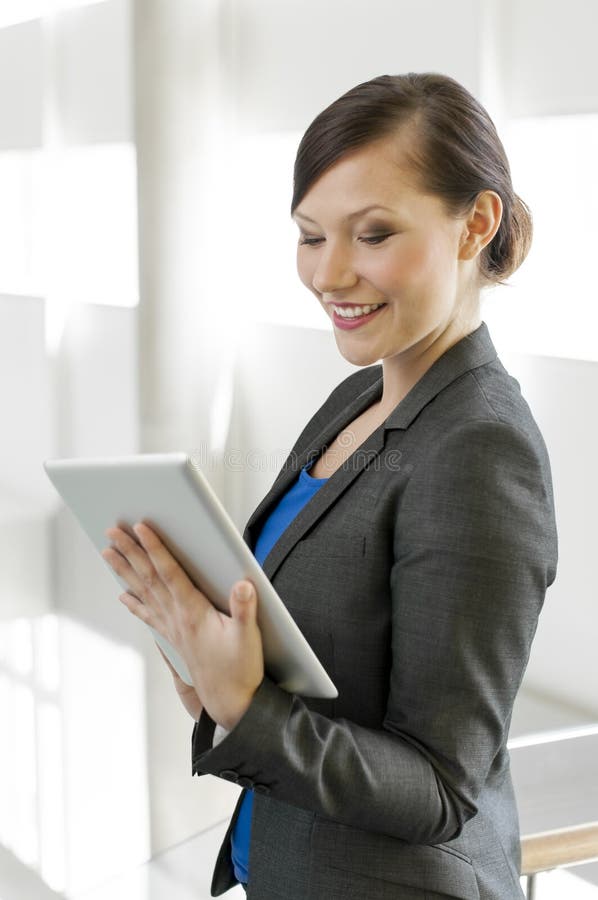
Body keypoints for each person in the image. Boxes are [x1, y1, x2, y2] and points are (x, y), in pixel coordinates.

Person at [102, 72, 558, 899]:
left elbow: (441, 789)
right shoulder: (363, 394)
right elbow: (325, 677)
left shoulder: (481, 447)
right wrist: (210, 672)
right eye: (311, 236)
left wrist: (243, 705)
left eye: (374, 234)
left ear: (475, 225)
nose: (329, 274)